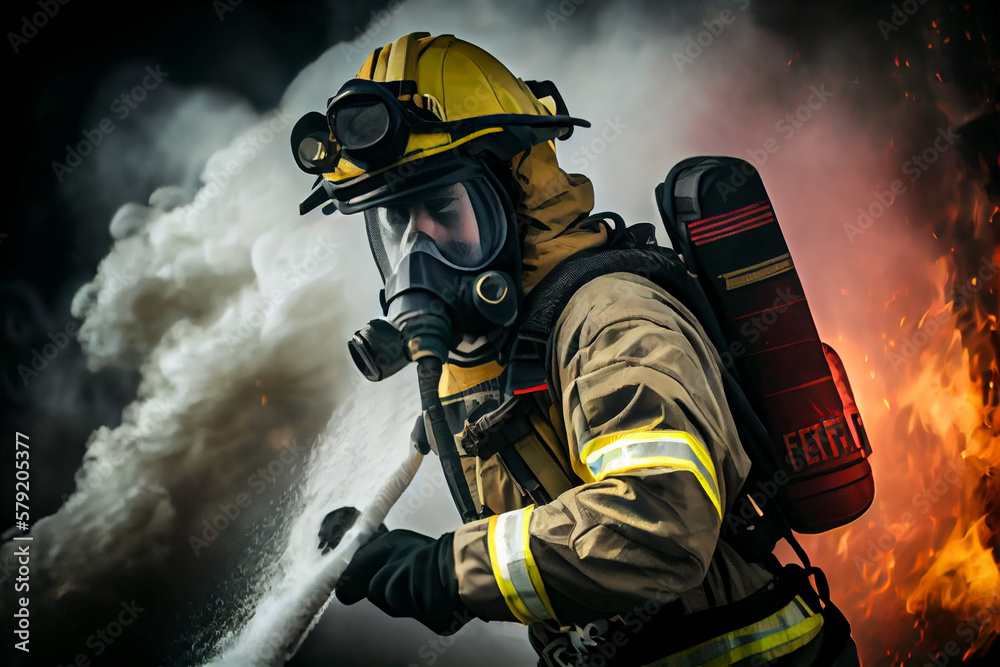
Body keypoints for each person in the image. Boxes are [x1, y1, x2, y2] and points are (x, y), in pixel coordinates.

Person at [291, 32, 861, 666]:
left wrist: (445, 572)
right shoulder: (491, 356)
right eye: (396, 224)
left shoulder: (612, 321)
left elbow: (660, 529)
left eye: (443, 209)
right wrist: (378, 549)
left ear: (517, 195)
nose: (417, 255)